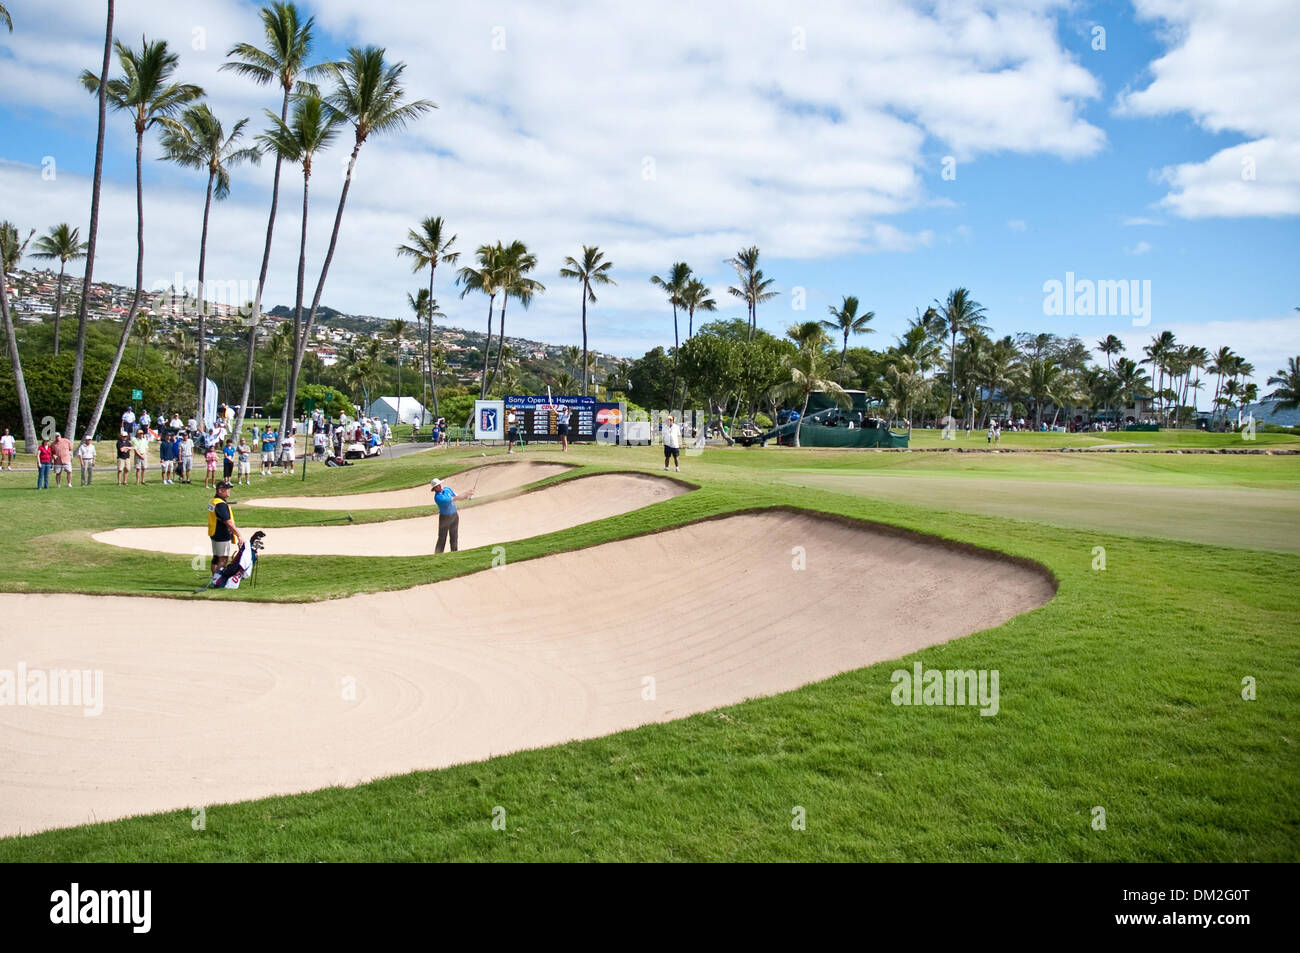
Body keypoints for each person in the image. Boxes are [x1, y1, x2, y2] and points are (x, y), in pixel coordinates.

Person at [430, 476, 473, 553]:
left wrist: (467, 496)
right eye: (436, 486)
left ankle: (454, 553)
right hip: (445, 518)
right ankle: (438, 554)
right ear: (434, 489)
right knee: (442, 538)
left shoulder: (447, 489)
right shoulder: (438, 497)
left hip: (454, 516)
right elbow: (454, 499)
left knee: (454, 536)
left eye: (439, 484)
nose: (439, 486)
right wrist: (466, 493)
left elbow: (457, 496)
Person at [207, 480, 241, 576]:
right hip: (222, 534)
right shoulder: (220, 504)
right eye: (227, 489)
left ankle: (214, 578)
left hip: (214, 533)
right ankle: (217, 579)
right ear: (220, 491)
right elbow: (228, 521)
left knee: (216, 558)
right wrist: (239, 535)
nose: (229, 491)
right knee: (223, 559)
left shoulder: (213, 501)